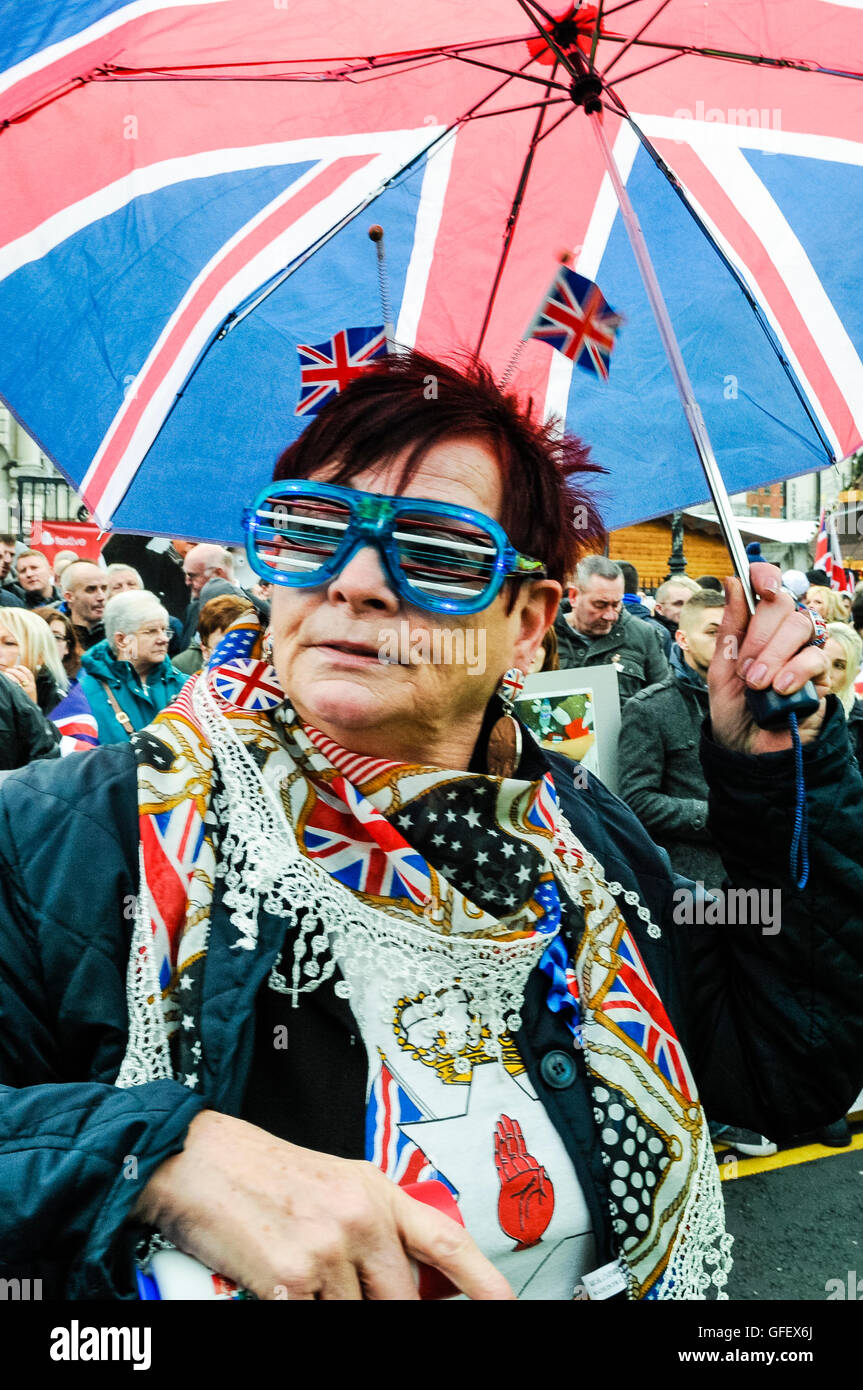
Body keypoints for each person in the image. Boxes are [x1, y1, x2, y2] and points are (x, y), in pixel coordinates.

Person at [0, 352, 862, 1304]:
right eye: (310, 527)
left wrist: (777, 774)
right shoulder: (57, 839)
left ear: (528, 624)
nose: (356, 581)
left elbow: (775, 1075)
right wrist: (160, 1159)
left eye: (439, 550)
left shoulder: (586, 836)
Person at [617, 589, 726, 885]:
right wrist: (714, 814)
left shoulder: (755, 702)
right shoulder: (649, 708)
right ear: (683, 640)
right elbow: (636, 800)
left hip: (757, 872)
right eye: (714, 632)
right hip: (692, 879)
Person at [554, 555, 669, 703]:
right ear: (574, 597)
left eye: (616, 605)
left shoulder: (644, 635)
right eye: (600, 605)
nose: (609, 616)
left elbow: (664, 700)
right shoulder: (545, 634)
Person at [78, 590, 187, 743]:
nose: (163, 639)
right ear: (122, 640)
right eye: (151, 631)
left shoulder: (186, 687)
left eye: (164, 630)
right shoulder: (83, 696)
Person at [34, 607, 100, 753]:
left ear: (67, 648)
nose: (47, 644)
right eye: (40, 636)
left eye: (56, 637)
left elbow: (83, 756)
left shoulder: (77, 694)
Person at [172, 593, 256, 676]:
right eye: (222, 646)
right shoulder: (193, 686)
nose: (235, 655)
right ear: (206, 652)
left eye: (244, 644)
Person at [823, 621, 863, 766]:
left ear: (853, 674)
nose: (826, 672)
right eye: (822, 659)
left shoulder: (859, 724)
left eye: (839, 665)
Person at [646, 575, 702, 656]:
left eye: (690, 603)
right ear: (659, 608)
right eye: (678, 604)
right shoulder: (653, 636)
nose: (685, 609)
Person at [61, 560, 109, 651]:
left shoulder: (116, 634)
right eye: (91, 589)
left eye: (104, 588)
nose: (101, 597)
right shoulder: (56, 634)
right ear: (69, 597)